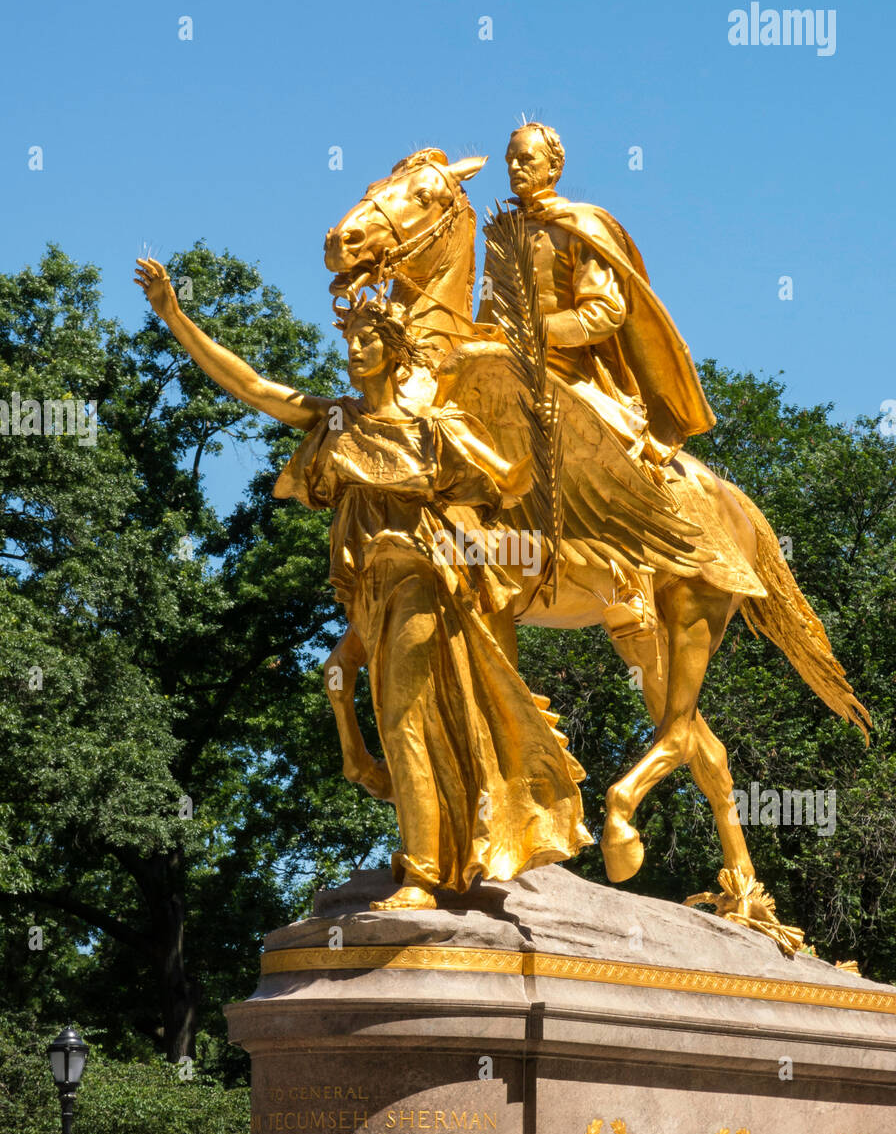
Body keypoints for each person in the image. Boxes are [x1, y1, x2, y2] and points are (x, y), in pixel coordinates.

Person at [134, 256, 591, 909]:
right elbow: (256, 388)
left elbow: (490, 513)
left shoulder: (436, 433)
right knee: (343, 683)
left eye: (368, 339)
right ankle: (413, 825)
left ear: (398, 349)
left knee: (404, 720)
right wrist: (175, 315)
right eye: (348, 341)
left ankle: (424, 872)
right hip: (368, 596)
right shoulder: (338, 423)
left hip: (417, 583)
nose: (354, 350)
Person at [480, 122, 716, 468]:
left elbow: (604, 312)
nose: (515, 167)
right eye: (510, 160)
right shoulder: (500, 233)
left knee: (591, 450)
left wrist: (538, 331)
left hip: (569, 371)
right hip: (501, 362)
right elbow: (487, 314)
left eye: (526, 159)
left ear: (554, 168)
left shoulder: (581, 225)